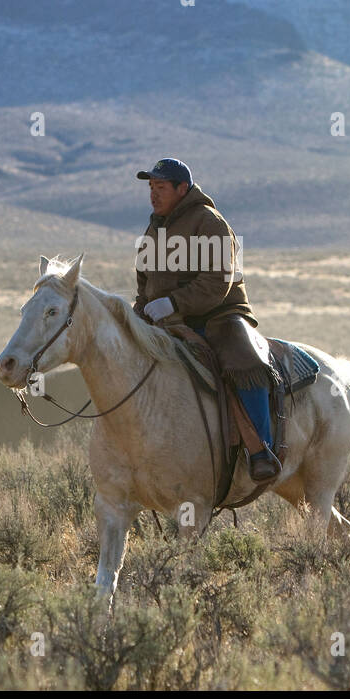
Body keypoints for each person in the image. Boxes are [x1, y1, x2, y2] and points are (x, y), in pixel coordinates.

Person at [133, 158, 282, 482]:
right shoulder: (154, 227)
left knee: (246, 364)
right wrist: (142, 308)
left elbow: (218, 282)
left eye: (160, 188)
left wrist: (172, 302)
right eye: (151, 188)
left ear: (181, 189)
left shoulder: (210, 222)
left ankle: (261, 450)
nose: (153, 195)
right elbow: (143, 279)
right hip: (168, 317)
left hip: (219, 315)